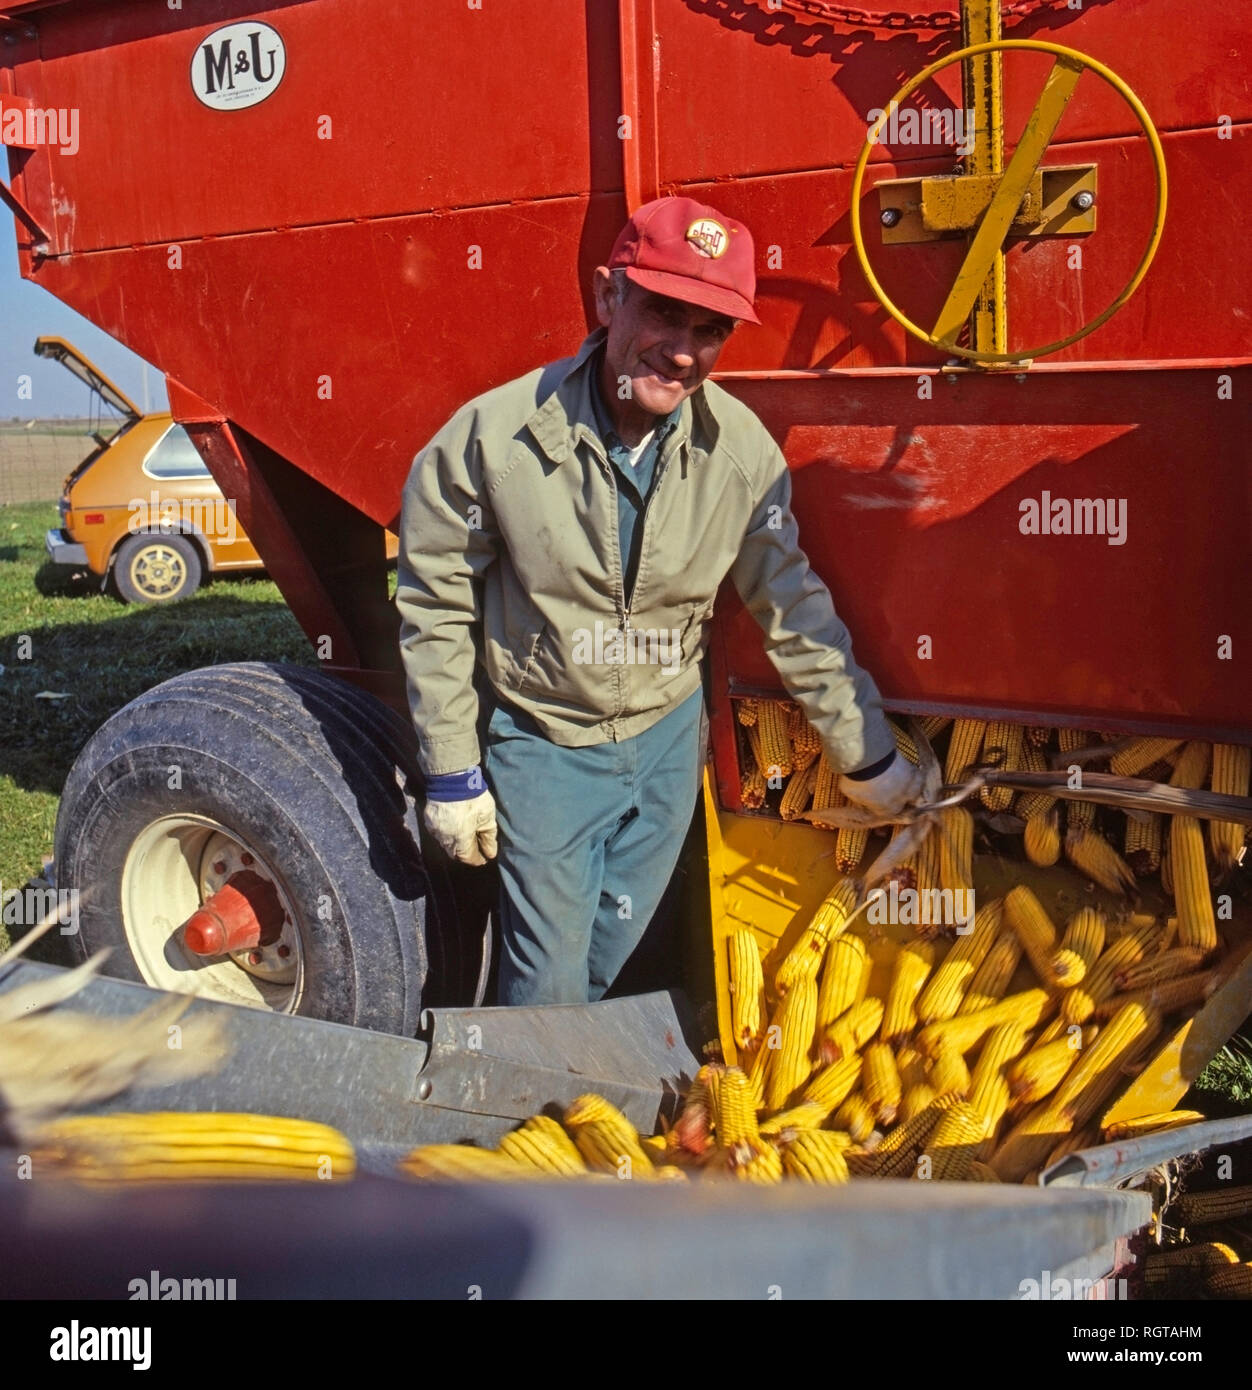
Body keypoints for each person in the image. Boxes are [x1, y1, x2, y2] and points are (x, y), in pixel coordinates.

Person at [396, 195, 921, 1006]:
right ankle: (521, 1119)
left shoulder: (739, 452)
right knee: (547, 991)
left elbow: (793, 608)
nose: (682, 353)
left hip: (667, 746)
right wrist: (452, 771)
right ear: (610, 297)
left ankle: (588, 1105)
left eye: (709, 331)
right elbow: (435, 603)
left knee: (616, 953)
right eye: (664, 314)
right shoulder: (493, 440)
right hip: (548, 742)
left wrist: (869, 754)